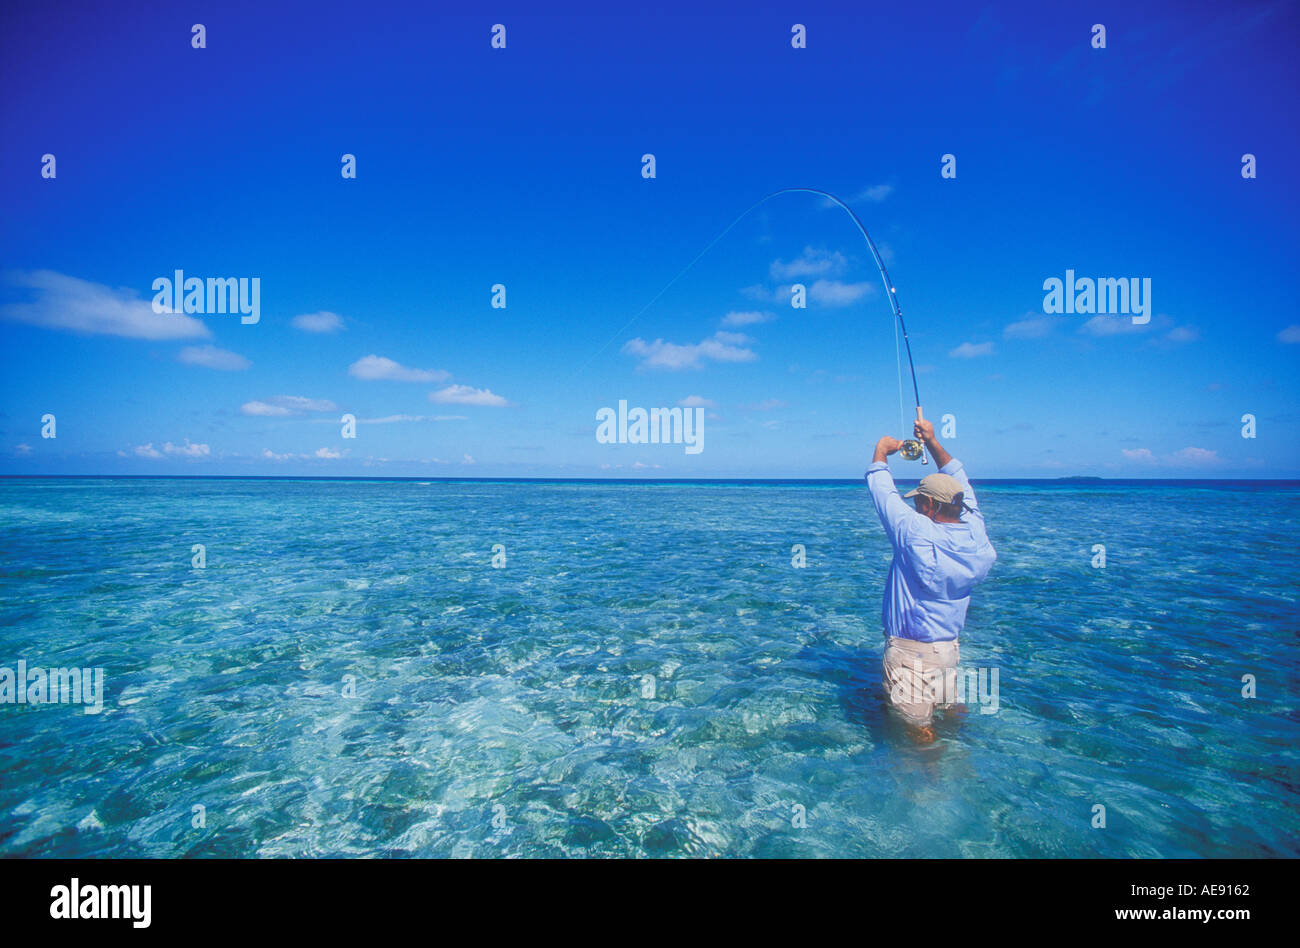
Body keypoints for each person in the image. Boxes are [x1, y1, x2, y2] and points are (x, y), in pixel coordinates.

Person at [865, 418, 996, 742]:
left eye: (919, 501)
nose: (915, 505)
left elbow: (882, 492)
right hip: (948, 650)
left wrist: (882, 450)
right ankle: (964, 758)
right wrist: (933, 441)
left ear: (929, 505)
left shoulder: (914, 532)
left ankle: (930, 786)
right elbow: (958, 479)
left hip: (911, 656)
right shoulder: (976, 532)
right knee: (951, 711)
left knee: (915, 733)